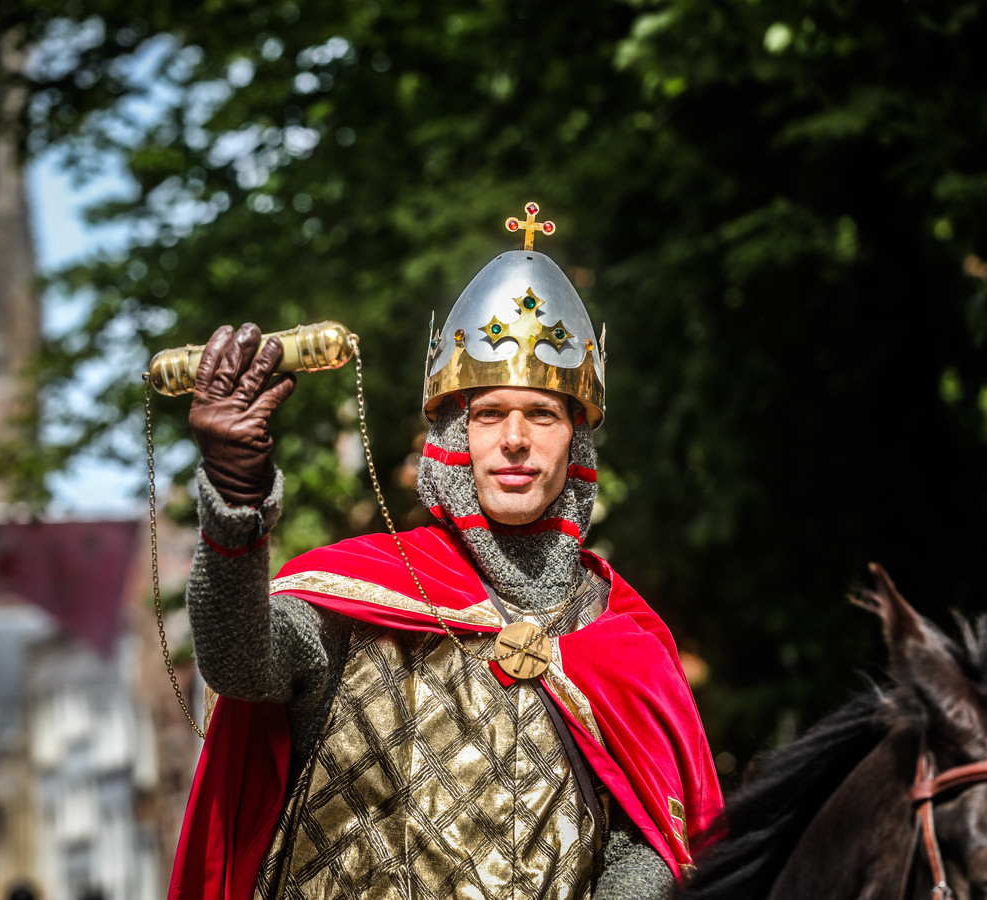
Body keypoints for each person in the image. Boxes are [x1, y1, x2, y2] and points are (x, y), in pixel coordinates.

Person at [168, 204, 724, 900]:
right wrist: (234, 498)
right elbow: (238, 659)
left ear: (574, 441)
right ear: (457, 437)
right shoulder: (359, 596)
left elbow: (650, 848)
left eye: (542, 414)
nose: (515, 439)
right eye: (490, 413)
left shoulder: (622, 639)